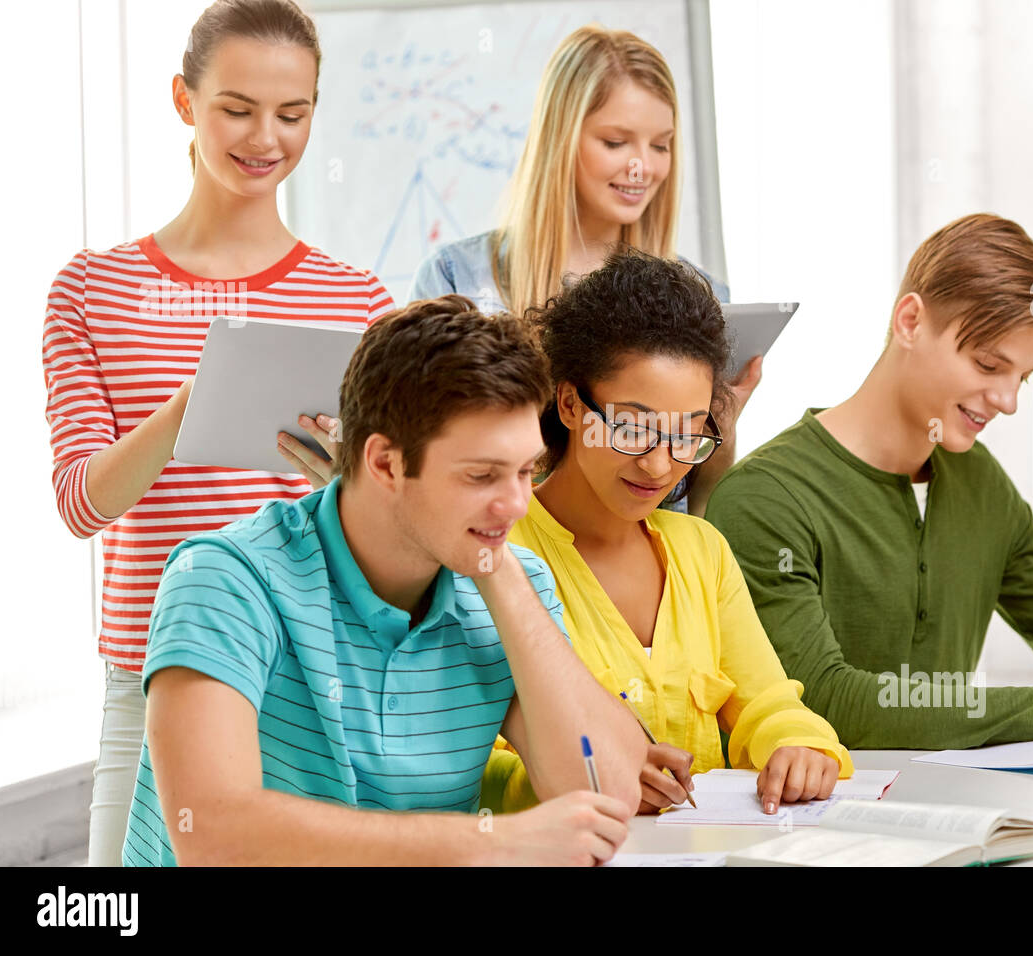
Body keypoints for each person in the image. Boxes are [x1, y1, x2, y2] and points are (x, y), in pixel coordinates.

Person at [42, 0, 393, 866]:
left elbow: (400, 519)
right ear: (183, 100)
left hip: (315, 679)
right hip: (155, 681)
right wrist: (194, 402)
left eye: (293, 113)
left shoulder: (359, 302)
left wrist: (348, 483)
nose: (264, 137)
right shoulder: (93, 290)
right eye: (236, 108)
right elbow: (83, 504)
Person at [121, 296, 646, 866]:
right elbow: (212, 833)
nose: (518, 504)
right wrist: (494, 843)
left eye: (525, 471)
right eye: (482, 475)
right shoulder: (225, 578)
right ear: (385, 464)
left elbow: (607, 793)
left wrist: (501, 575)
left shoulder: (511, 586)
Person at [705, 213, 1033, 750]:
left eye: (1022, 378)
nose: (1007, 401)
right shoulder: (764, 499)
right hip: (806, 825)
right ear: (910, 321)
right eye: (987, 365)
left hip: (958, 817)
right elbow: (819, 699)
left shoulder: (980, 483)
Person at [482, 250, 851, 817]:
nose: (659, 465)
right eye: (633, 428)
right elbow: (473, 758)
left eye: (686, 435)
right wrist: (578, 780)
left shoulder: (701, 551)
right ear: (571, 404)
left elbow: (769, 701)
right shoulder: (495, 552)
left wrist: (797, 744)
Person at [407, 24, 760, 515]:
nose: (643, 168)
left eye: (660, 145)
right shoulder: (457, 279)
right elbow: (435, 467)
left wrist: (719, 429)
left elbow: (695, 515)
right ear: (561, 140)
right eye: (616, 142)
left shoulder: (701, 299)